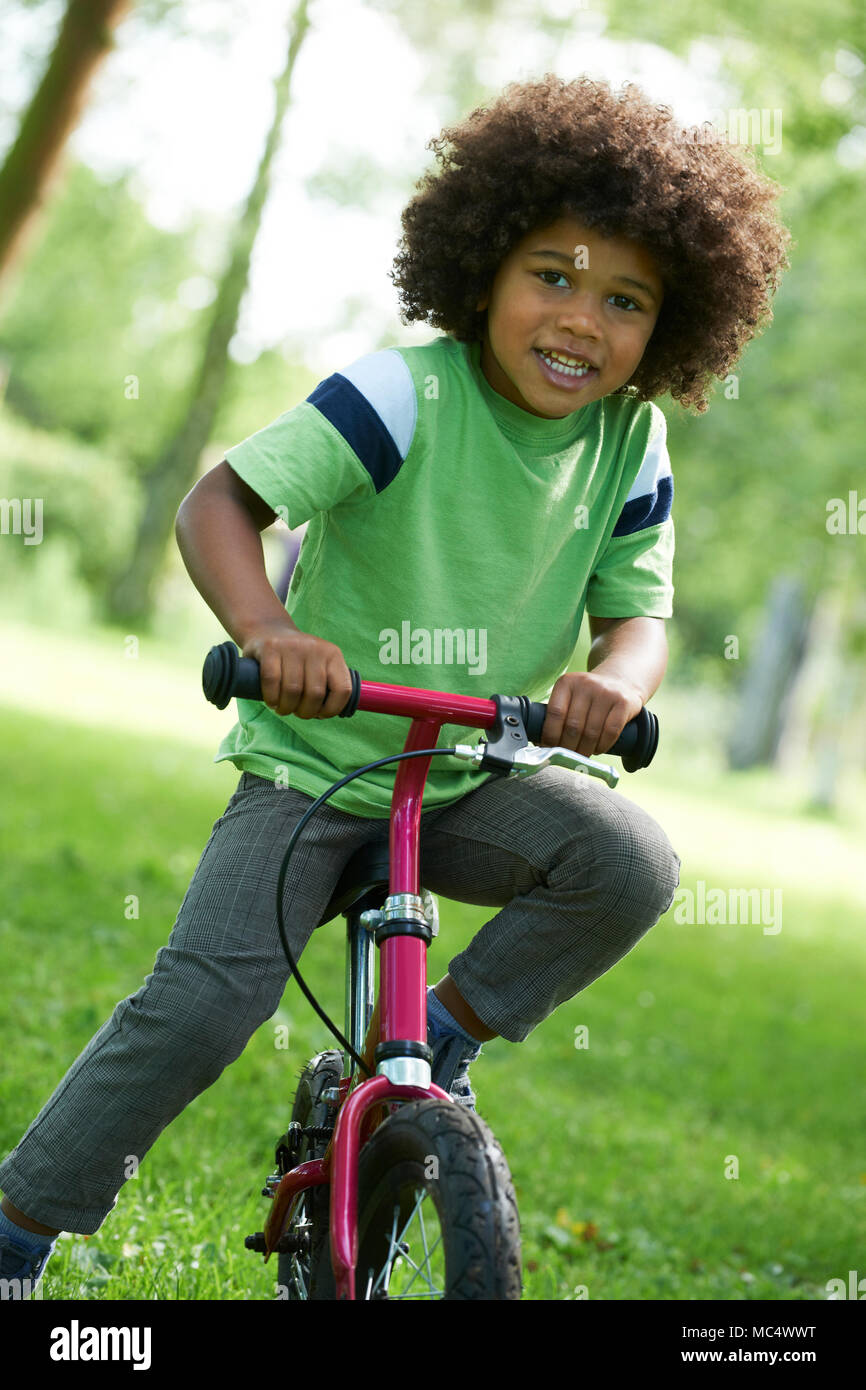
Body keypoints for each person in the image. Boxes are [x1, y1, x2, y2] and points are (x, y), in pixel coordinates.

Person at [0, 73, 791, 1299]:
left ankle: (439, 1055)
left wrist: (613, 684)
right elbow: (222, 501)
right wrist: (267, 628)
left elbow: (636, 614)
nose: (580, 317)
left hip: (468, 777)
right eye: (552, 275)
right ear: (480, 269)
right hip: (317, 771)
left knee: (625, 861)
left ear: (671, 326)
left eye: (624, 299)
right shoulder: (401, 393)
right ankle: (18, 1226)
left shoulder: (629, 442)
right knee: (204, 1007)